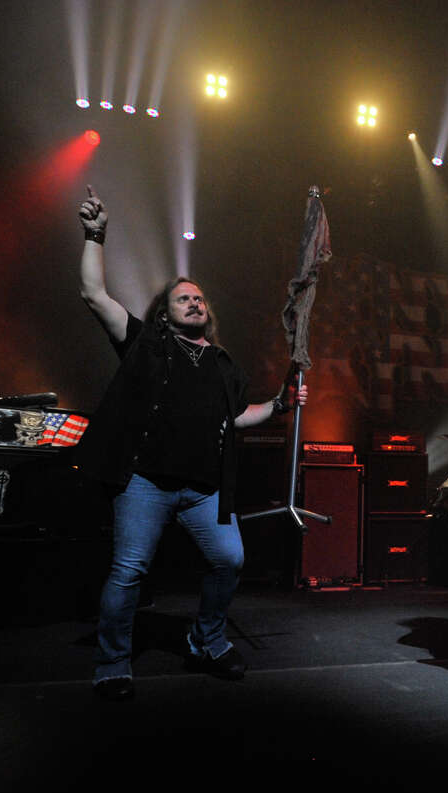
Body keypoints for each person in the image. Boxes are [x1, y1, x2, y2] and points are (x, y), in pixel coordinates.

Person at [77, 185, 307, 701]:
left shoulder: (224, 364)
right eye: (184, 297)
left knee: (229, 561)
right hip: (145, 482)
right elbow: (95, 294)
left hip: (204, 488)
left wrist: (278, 405)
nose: (195, 301)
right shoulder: (143, 343)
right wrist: (95, 234)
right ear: (165, 312)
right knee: (129, 571)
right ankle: (113, 661)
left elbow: (237, 418)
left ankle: (207, 641)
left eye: (199, 297)